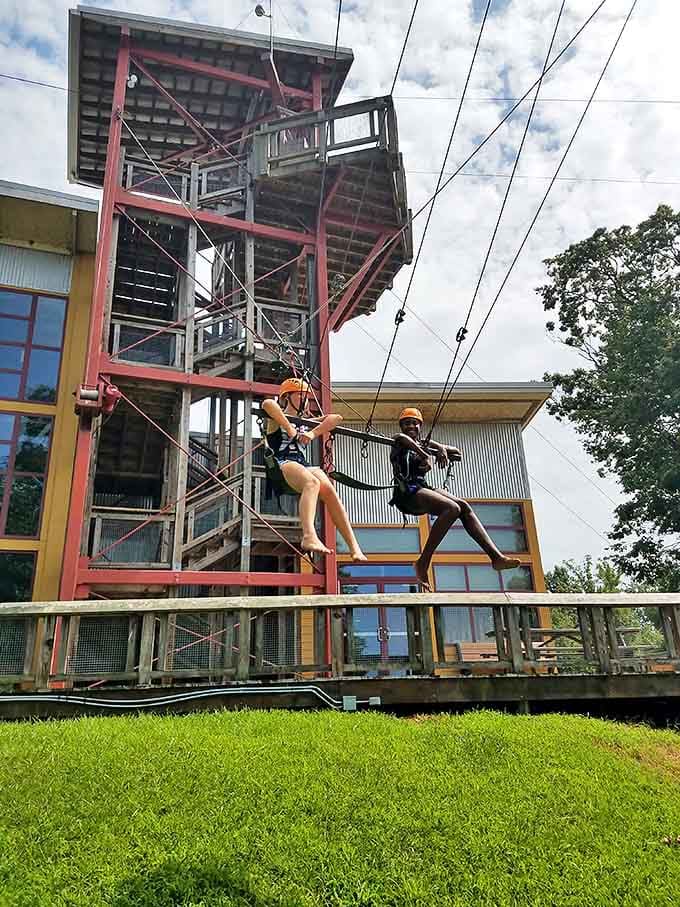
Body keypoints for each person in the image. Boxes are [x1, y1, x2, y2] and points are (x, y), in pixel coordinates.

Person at [390, 407, 520, 589]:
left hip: (422, 488)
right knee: (452, 509)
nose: (410, 426)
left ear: (420, 425)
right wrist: (425, 454)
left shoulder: (423, 444)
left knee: (463, 506)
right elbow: (403, 439)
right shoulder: (398, 441)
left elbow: (456, 451)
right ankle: (423, 562)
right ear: (401, 426)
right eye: (406, 423)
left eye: (414, 423)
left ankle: (496, 557)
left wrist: (441, 448)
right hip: (406, 493)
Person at [262, 377, 367, 561]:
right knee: (312, 482)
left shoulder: (305, 423)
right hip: (282, 464)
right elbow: (268, 403)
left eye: (307, 397)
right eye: (301, 396)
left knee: (328, 490)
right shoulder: (277, 419)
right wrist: (289, 428)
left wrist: (312, 433)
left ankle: (354, 546)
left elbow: (336, 418)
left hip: (301, 464)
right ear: (288, 396)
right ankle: (309, 535)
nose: (305, 400)